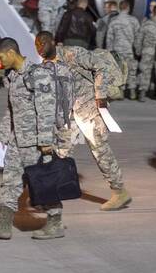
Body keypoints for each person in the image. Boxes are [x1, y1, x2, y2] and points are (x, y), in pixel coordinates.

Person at [0, 37, 64, 240]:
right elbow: (10, 109)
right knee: (10, 181)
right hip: (17, 140)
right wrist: (4, 135)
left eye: (0, 56)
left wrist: (46, 141)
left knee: (42, 182)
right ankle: (3, 224)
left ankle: (55, 222)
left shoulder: (37, 74)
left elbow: (47, 108)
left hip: (36, 142)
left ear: (11, 53)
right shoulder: (13, 76)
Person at [39, 32, 132, 210]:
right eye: (37, 45)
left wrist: (100, 95)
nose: (40, 47)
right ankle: (52, 194)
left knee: (100, 149)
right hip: (71, 112)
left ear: (53, 42)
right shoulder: (46, 66)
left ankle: (119, 192)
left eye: (43, 43)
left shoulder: (72, 53)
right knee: (61, 151)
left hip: (91, 107)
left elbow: (101, 67)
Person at [105, 0, 139, 99]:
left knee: (119, 71)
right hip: (129, 50)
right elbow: (138, 36)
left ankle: (121, 92)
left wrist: (109, 50)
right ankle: (132, 92)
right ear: (128, 8)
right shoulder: (133, 20)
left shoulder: (114, 20)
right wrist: (137, 50)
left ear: (119, 8)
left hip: (117, 50)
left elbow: (109, 37)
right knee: (131, 71)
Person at [135, 4, 156, 99]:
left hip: (147, 50)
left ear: (153, 13)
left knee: (145, 72)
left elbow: (139, 38)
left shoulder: (146, 24)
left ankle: (142, 93)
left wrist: (138, 50)